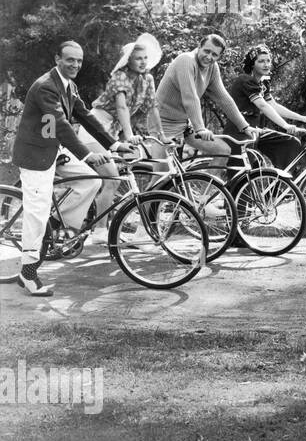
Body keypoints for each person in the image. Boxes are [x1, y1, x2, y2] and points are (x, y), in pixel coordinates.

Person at [10, 41, 134, 296]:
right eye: (70, 60)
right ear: (57, 58)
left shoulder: (68, 85)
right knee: (36, 211)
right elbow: (61, 124)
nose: (75, 65)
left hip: (54, 149)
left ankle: (58, 226)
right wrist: (87, 155)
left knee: (91, 180)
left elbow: (85, 116)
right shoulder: (46, 86)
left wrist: (114, 144)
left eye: (79, 61)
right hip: (36, 155)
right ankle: (28, 273)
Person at [155, 33, 258, 170]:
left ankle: (211, 186)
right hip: (163, 123)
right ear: (199, 47)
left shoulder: (212, 68)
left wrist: (244, 126)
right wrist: (201, 128)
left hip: (184, 124)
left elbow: (223, 98)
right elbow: (189, 97)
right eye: (206, 51)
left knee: (222, 151)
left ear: (219, 57)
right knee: (163, 181)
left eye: (214, 55)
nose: (209, 57)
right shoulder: (186, 61)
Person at [227, 43, 306, 171]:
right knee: (242, 176)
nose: (266, 64)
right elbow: (262, 105)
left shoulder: (263, 82)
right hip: (240, 132)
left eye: (268, 60)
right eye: (261, 61)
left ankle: (280, 182)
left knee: (290, 143)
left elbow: (272, 105)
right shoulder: (245, 80)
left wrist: (302, 118)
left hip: (255, 131)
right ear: (253, 64)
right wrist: (285, 126)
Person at [89, 33, 164, 144]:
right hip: (97, 123)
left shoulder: (147, 79)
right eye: (138, 58)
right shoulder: (120, 76)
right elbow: (121, 107)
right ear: (128, 61)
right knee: (96, 160)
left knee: (113, 160)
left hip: (114, 128)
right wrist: (130, 135)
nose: (143, 62)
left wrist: (161, 135)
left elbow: (152, 108)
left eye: (145, 57)